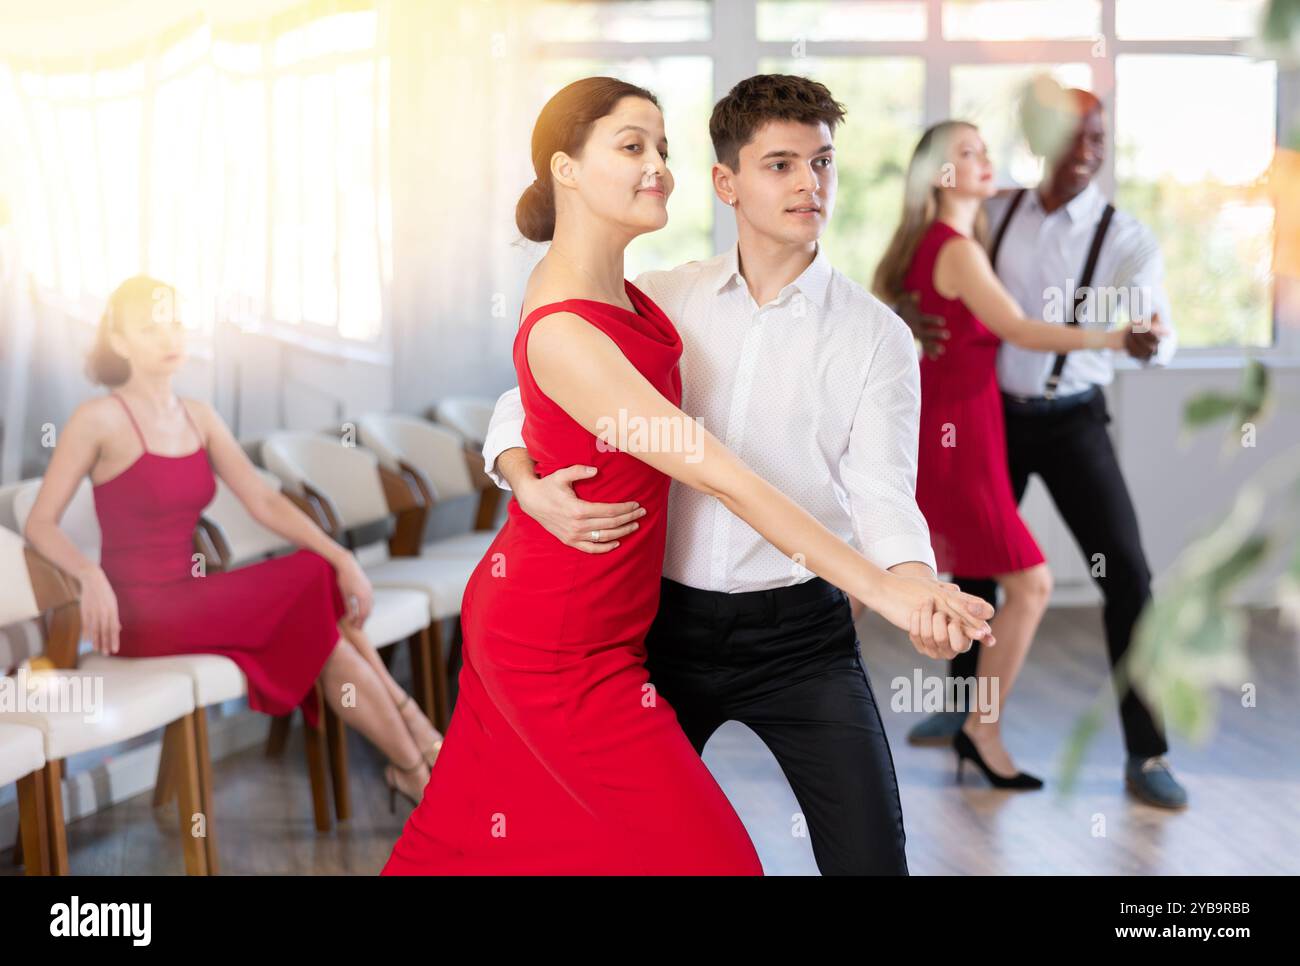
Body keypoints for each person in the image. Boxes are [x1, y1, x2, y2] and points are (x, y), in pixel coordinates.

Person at [382, 76, 994, 875]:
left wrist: (913, 585)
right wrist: (520, 475)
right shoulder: (665, 298)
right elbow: (530, 387)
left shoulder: (876, 336)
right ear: (728, 183)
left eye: (823, 163)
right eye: (781, 164)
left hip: (797, 636)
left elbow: (883, 491)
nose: (809, 184)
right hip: (656, 632)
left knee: (872, 859)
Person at [22, 275, 445, 809]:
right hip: (140, 613)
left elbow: (264, 501)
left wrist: (341, 557)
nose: (169, 335)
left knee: (323, 626)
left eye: (174, 321)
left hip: (188, 595)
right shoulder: (97, 419)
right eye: (150, 328)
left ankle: (415, 771)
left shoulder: (198, 416)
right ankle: (419, 736)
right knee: (311, 579)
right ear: (121, 342)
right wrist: (88, 574)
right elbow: (40, 522)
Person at [900, 81, 1188, 810]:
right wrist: (904, 310)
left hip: (1071, 419)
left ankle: (1147, 749)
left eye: (1099, 137)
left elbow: (1161, 326)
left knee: (1127, 575)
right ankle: (967, 711)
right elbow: (924, 261)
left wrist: (1149, 341)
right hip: (993, 412)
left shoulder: (1126, 236)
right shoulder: (996, 211)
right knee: (971, 565)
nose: (1090, 151)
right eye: (1076, 136)